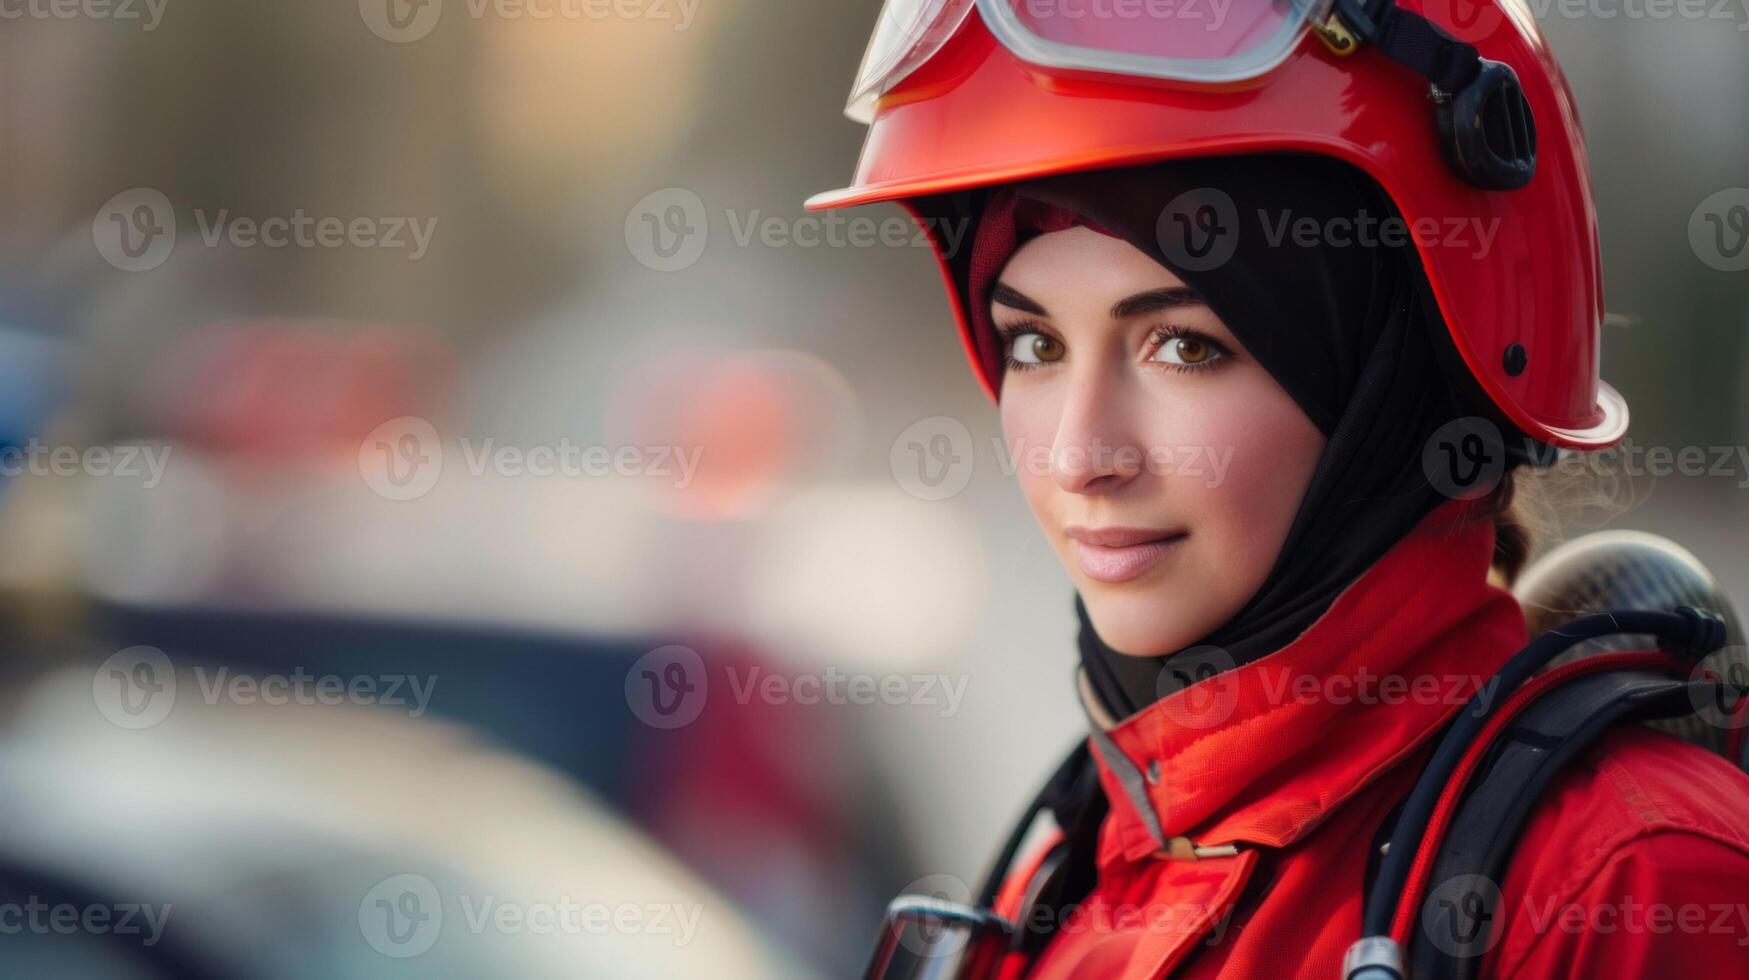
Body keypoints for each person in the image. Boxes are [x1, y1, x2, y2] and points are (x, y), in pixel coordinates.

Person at [814, 2, 1749, 977]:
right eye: (1036, 344)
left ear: (1386, 384)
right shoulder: (1066, 870)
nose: (1079, 453)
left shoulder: (1630, 885)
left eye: (1183, 346)